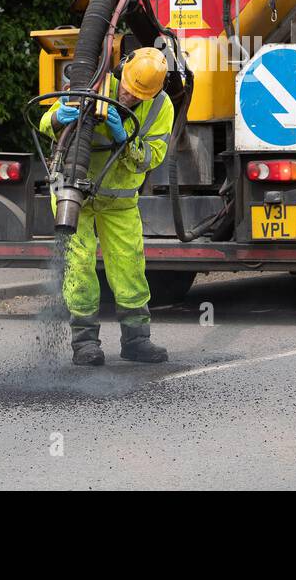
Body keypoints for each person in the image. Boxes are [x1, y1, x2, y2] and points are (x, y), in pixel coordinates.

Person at [40, 47, 174, 366]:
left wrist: (123, 135)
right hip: (74, 191)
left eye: (137, 95)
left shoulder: (161, 107)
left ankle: (136, 339)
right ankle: (84, 342)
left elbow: (150, 159)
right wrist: (59, 116)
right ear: (122, 72)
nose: (128, 96)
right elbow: (46, 124)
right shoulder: (95, 83)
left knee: (129, 266)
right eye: (126, 89)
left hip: (119, 201)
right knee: (79, 264)